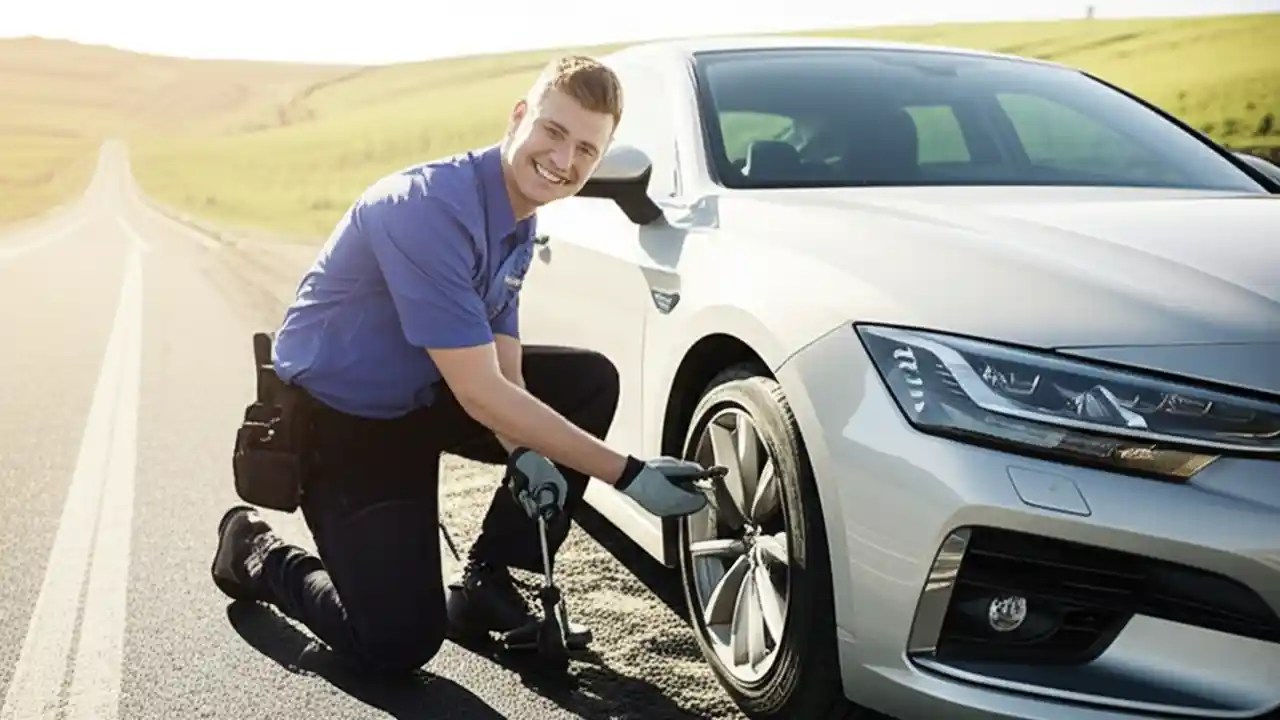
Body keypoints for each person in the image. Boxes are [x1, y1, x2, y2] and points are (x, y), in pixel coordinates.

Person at [209, 54, 711, 676]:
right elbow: (481, 394)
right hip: (342, 423)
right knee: (397, 643)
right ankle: (257, 551)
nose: (564, 160)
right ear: (519, 117)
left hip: (423, 394)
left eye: (586, 148)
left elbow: (504, 371)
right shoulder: (429, 207)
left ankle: (487, 587)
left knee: (586, 383)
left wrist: (525, 455)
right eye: (553, 132)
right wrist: (628, 475)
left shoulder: (520, 217)